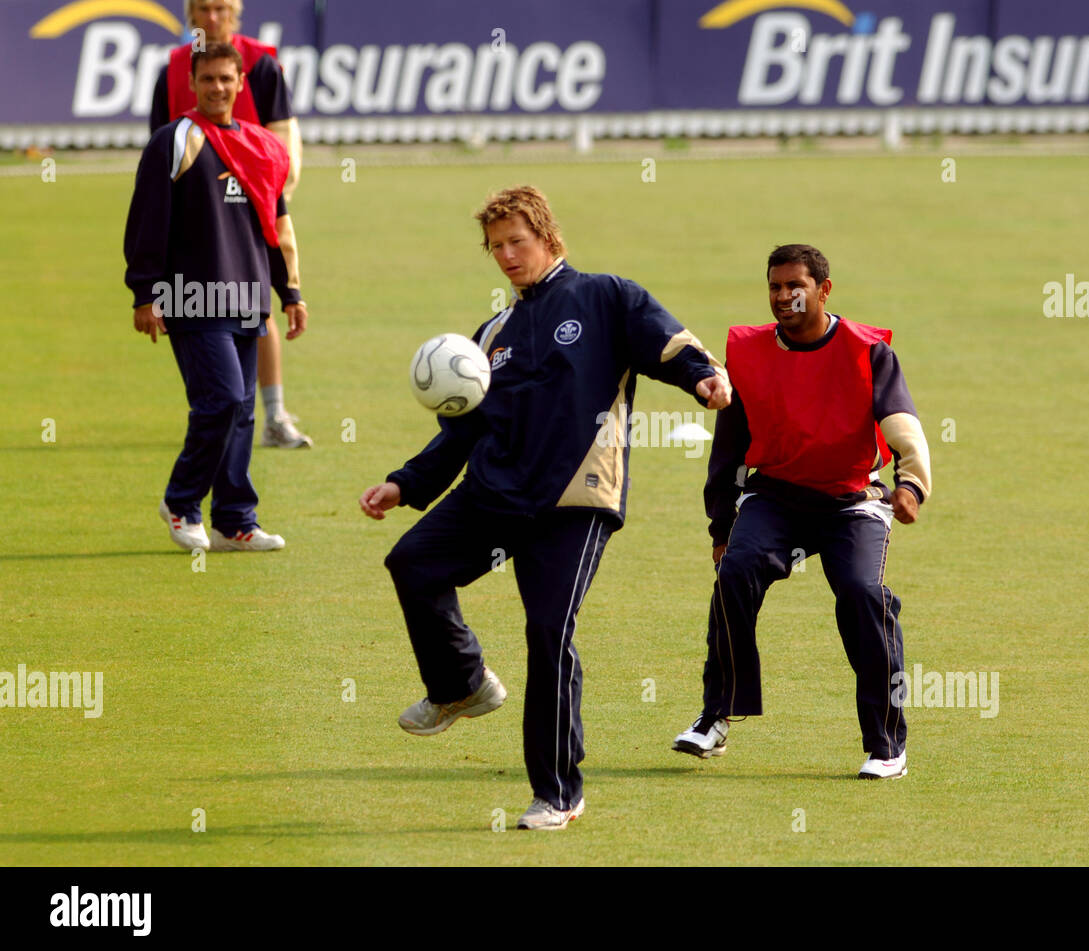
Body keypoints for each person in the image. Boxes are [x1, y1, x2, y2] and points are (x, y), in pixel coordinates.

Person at [359, 186, 731, 829]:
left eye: (517, 242)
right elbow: (463, 431)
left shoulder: (607, 296)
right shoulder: (492, 333)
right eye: (495, 246)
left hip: (574, 500)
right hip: (495, 494)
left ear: (550, 240)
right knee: (413, 562)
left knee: (548, 632)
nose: (506, 255)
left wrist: (704, 378)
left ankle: (558, 792)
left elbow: (672, 348)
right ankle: (460, 685)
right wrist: (405, 483)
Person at [671, 244, 932, 780]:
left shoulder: (867, 350)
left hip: (852, 502)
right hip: (776, 497)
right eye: (775, 286)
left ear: (823, 289)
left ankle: (886, 744)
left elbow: (901, 420)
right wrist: (721, 525)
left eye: (796, 285)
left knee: (863, 595)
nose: (784, 295)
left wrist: (911, 482)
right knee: (736, 572)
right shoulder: (749, 352)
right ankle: (716, 716)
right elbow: (730, 445)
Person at [126, 41, 307, 552]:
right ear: (193, 83)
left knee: (243, 412)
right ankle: (181, 502)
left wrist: (290, 291)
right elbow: (146, 221)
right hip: (190, 297)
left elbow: (277, 226)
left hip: (248, 297)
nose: (218, 88)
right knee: (222, 400)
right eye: (208, 79)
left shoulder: (262, 145)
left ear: (241, 83)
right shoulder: (173, 140)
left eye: (227, 79)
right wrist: (145, 293)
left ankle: (235, 520)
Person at [150, 0, 311, 449]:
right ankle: (215, 414)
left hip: (251, 201)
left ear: (235, 12)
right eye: (204, 8)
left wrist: (269, 198)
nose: (213, 17)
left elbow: (284, 137)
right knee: (202, 312)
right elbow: (159, 149)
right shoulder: (174, 68)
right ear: (191, 14)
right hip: (195, 216)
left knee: (257, 309)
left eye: (222, 8)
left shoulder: (260, 63)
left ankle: (274, 415)